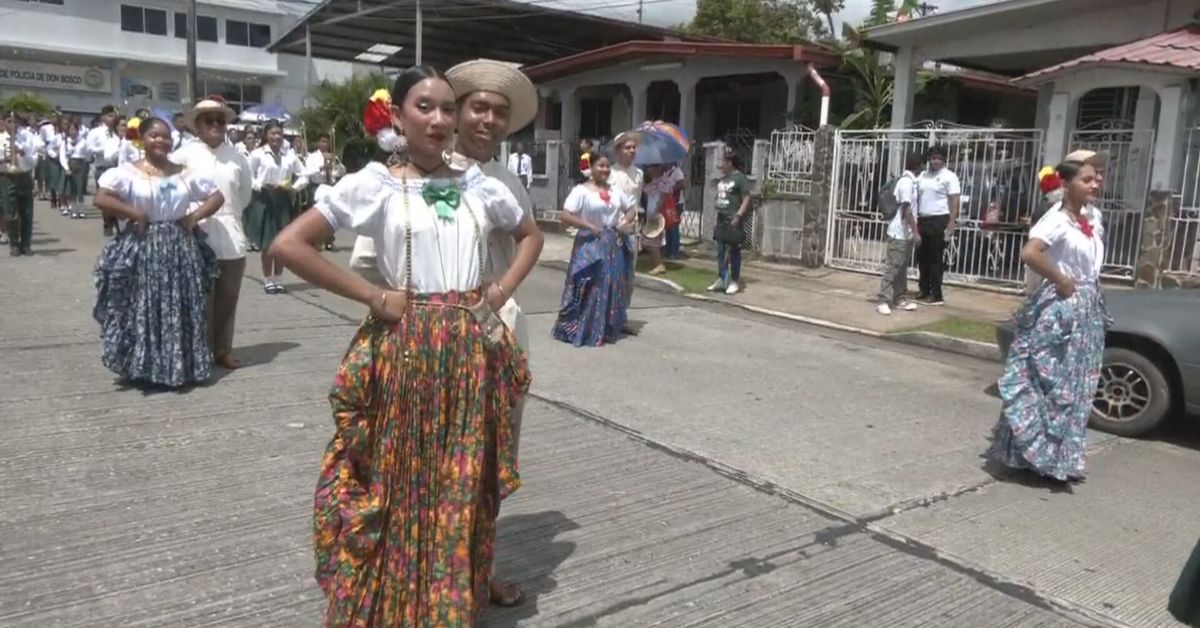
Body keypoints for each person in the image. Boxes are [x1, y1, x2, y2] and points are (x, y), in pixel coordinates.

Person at [269, 65, 541, 626]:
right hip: (406, 350)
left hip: (469, 350)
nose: (439, 119)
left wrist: (500, 289)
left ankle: (448, 602)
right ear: (397, 116)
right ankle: (400, 603)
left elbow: (530, 236)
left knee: (461, 480)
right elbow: (289, 245)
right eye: (425, 107)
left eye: (446, 107)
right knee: (401, 481)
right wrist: (371, 295)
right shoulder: (375, 184)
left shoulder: (483, 186)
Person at [445, 57, 544, 609]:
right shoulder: (418, 170)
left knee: (491, 458)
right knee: (434, 461)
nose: (487, 119)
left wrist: (500, 293)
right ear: (456, 112)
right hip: (432, 339)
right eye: (478, 107)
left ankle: (481, 570)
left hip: (498, 333)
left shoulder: (506, 182)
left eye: (499, 112)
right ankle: (433, 573)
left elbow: (529, 240)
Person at [987, 151, 1108, 483]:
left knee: (1076, 384)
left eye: (1097, 177)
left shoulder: (1092, 217)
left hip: (1086, 309)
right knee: (1049, 382)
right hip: (1061, 309)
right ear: (1067, 183)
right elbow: (1030, 252)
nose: (1095, 183)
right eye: (1087, 178)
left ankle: (1058, 458)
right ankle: (1031, 454)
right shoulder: (1056, 219)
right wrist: (1061, 279)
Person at [91, 117, 225, 388]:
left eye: (165, 136)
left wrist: (194, 217)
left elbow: (217, 196)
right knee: (146, 306)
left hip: (179, 246)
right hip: (144, 245)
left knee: (180, 305)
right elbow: (101, 198)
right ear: (142, 139)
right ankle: (148, 367)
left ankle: (182, 367)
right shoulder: (128, 172)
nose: (161, 141)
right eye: (154, 136)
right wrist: (133, 212)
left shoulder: (184, 173)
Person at [172, 98, 254, 371]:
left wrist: (229, 215)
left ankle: (223, 349)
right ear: (197, 126)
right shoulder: (183, 155)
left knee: (228, 296)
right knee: (201, 297)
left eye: (221, 120)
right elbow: (173, 192)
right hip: (198, 232)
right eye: (210, 120)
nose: (217, 125)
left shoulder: (237, 157)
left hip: (231, 231)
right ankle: (200, 350)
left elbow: (244, 195)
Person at [552, 152, 638, 346]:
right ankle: (583, 327)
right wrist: (589, 226)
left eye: (608, 166)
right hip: (589, 244)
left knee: (609, 284)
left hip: (612, 244)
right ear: (591, 169)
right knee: (588, 284)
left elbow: (631, 208)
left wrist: (625, 221)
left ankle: (605, 326)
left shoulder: (615, 191)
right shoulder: (581, 191)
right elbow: (565, 216)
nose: (605, 170)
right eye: (601, 166)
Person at [246, 121, 307, 293]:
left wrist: (293, 188)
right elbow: (248, 175)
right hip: (264, 199)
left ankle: (278, 278)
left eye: (279, 134)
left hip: (283, 199)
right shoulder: (258, 154)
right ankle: (267, 279)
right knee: (267, 243)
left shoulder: (289, 155)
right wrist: (259, 185)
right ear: (266, 135)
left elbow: (304, 175)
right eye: (273, 133)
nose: (276, 137)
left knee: (282, 241)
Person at [876, 154, 923, 315]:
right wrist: (916, 232)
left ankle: (899, 297)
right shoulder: (906, 183)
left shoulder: (912, 183)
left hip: (905, 234)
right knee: (893, 267)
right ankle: (884, 299)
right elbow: (906, 210)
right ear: (919, 166)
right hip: (899, 233)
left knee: (902, 267)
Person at [915, 145, 960, 306]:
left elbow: (954, 200)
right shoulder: (923, 176)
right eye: (933, 158)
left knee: (935, 259)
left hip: (939, 219)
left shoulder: (949, 177)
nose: (936, 161)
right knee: (922, 257)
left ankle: (936, 294)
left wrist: (951, 222)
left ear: (944, 160)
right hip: (923, 219)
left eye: (939, 158)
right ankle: (923, 289)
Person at [710, 152, 751, 295]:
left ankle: (734, 280)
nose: (722, 165)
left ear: (730, 163)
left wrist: (738, 215)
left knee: (734, 250)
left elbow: (746, 199)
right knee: (721, 250)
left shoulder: (740, 178)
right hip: (721, 216)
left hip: (732, 217)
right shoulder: (724, 178)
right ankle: (721, 278)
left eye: (724, 162)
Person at [2, 112, 38, 256]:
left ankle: (26, 244)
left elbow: (34, 161)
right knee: (10, 213)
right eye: (9, 121)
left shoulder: (27, 138)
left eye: (15, 121)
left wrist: (23, 153)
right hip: (7, 177)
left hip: (24, 176)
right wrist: (5, 158)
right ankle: (14, 244)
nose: (12, 124)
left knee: (27, 213)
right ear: (4, 122)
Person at [303, 132, 344, 252]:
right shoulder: (312, 157)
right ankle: (316, 240)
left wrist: (335, 164)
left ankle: (329, 240)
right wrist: (322, 167)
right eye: (322, 141)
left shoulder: (333, 156)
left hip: (329, 185)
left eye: (326, 142)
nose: (324, 144)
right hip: (317, 186)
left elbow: (341, 171)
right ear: (317, 143)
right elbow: (309, 172)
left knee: (331, 214)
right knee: (317, 214)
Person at [86, 105, 122, 230]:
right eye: (109, 116)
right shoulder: (95, 132)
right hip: (103, 168)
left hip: (117, 167)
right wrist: (105, 150)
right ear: (102, 117)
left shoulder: (117, 132)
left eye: (113, 116)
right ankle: (107, 222)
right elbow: (89, 148)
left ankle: (116, 221)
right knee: (106, 198)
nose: (112, 119)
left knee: (117, 198)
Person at [61, 119, 90, 216]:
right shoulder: (65, 142)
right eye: (70, 129)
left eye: (75, 129)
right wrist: (66, 168)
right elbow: (62, 156)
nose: (72, 132)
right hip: (71, 163)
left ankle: (80, 209)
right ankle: (73, 209)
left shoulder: (83, 141)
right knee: (72, 188)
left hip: (81, 164)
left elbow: (87, 154)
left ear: (78, 130)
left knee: (80, 187)